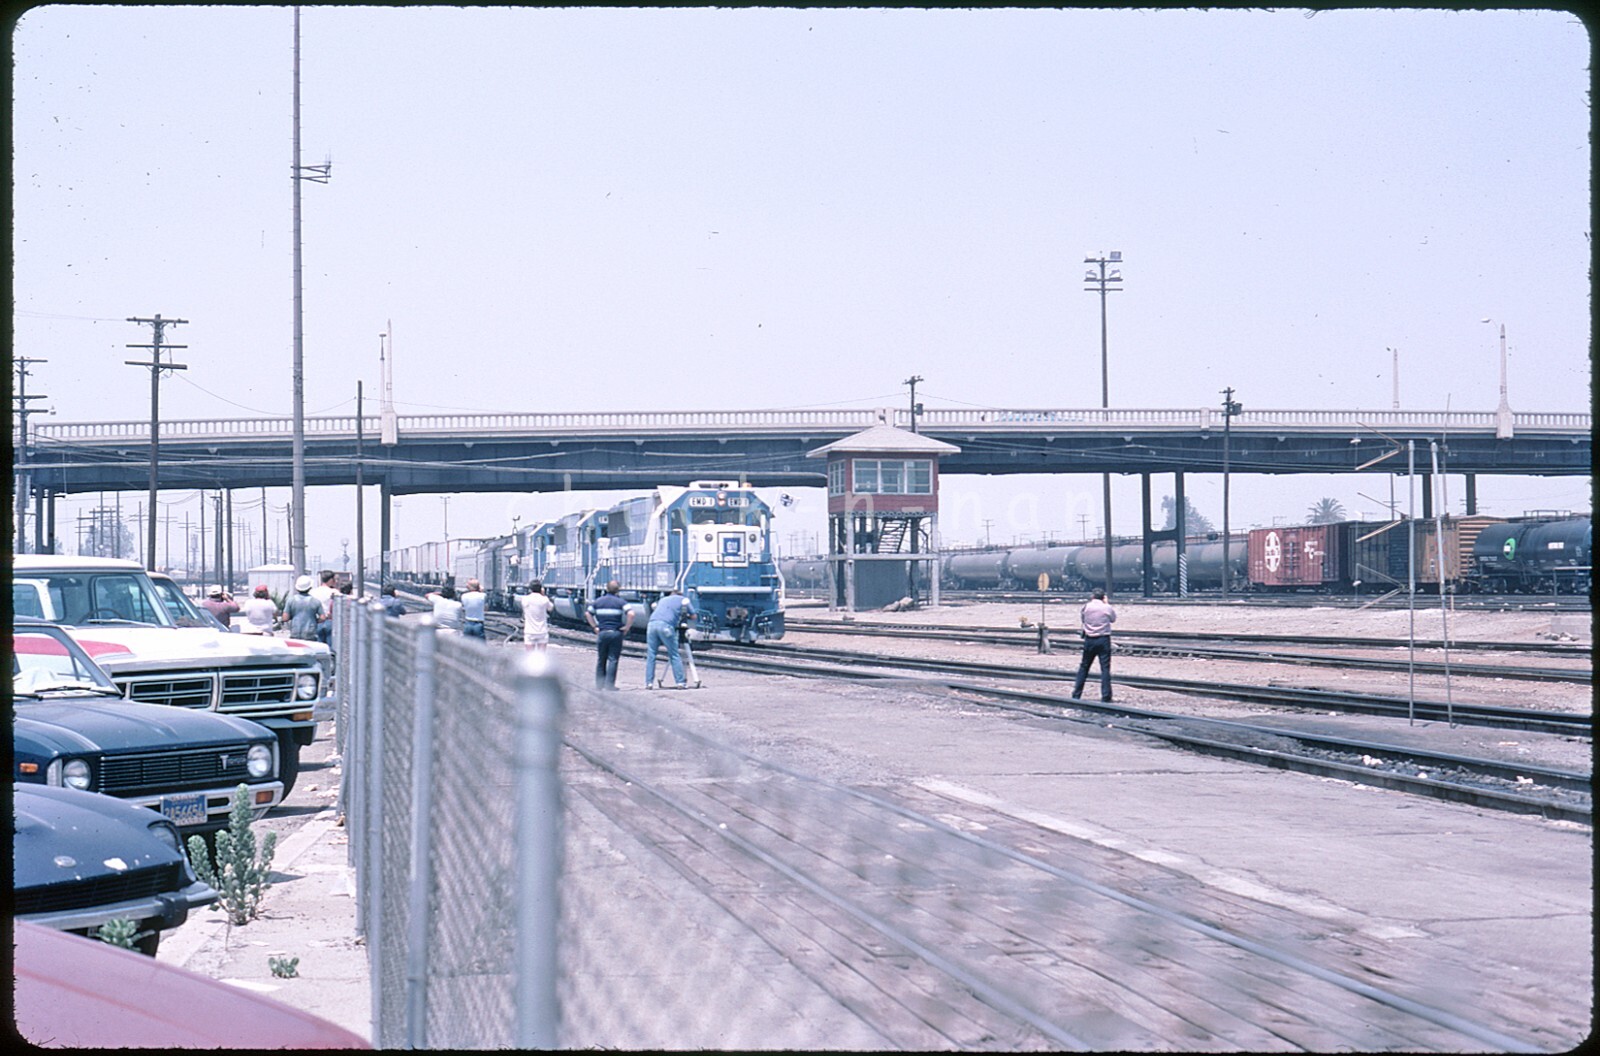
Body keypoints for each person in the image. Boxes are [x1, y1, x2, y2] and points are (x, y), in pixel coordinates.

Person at [1071, 588, 1117, 703]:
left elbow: (1083, 619)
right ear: (1103, 597)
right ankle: (1106, 696)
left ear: (1092, 597)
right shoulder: (1106, 607)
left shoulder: (1086, 607)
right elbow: (1113, 619)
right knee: (1105, 668)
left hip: (1089, 639)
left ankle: (1076, 694)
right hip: (1103, 639)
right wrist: (1106, 604)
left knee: (1084, 667)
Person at [585, 580, 633, 689]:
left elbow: (588, 613)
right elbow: (631, 613)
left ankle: (599, 685)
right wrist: (627, 627)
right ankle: (610, 685)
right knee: (613, 659)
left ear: (606, 589)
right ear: (618, 590)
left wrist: (594, 626)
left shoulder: (598, 601)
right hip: (616, 633)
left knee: (601, 659)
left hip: (602, 633)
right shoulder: (621, 602)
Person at [644, 589, 696, 690]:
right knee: (674, 654)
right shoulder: (683, 600)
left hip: (652, 624)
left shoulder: (663, 600)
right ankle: (680, 682)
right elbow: (694, 616)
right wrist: (685, 615)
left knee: (651, 655)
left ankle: (649, 683)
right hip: (666, 626)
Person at [518, 580, 556, 652]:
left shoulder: (525, 599)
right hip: (542, 631)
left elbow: (524, 608)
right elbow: (551, 608)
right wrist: (543, 594)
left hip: (529, 631)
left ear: (530, 589)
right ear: (541, 588)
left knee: (530, 655)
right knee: (541, 655)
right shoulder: (544, 599)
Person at [284, 575, 323, 641]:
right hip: (310, 632)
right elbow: (322, 618)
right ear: (310, 587)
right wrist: (314, 620)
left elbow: (285, 618)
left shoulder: (291, 600)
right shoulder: (316, 601)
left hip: (295, 631)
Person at [310, 570, 338, 645]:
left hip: (317, 621)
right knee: (330, 648)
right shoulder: (334, 592)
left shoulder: (313, 592)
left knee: (318, 647)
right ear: (331, 580)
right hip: (330, 621)